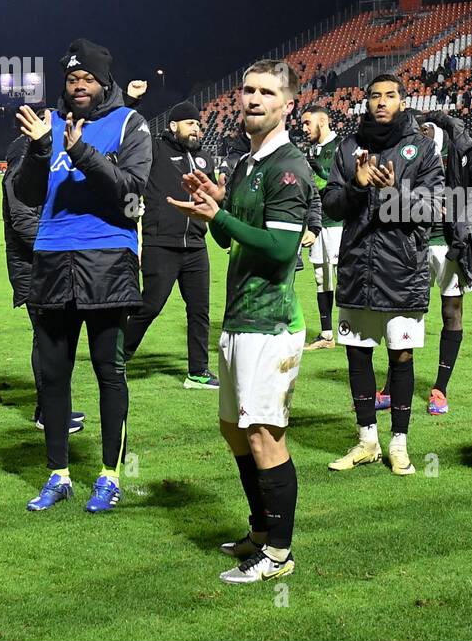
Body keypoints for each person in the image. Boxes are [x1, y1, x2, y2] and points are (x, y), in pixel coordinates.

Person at [167, 59, 313, 583]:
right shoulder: (248, 164)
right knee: (234, 429)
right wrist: (217, 206)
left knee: (263, 435)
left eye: (266, 92)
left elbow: (280, 249)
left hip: (270, 324)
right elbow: (231, 241)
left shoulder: (287, 167)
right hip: (240, 318)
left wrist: (220, 216)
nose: (252, 98)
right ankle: (259, 530)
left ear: (286, 105)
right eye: (247, 89)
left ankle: (279, 554)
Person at [14, 38, 152, 514]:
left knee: (108, 371)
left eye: (87, 79)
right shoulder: (45, 125)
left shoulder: (130, 123)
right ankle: (59, 474)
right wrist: (38, 151)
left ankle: (110, 477)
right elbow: (28, 195)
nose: (78, 87)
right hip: (51, 260)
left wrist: (84, 153)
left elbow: (131, 191)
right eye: (72, 79)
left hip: (108, 261)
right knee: (53, 375)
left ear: (104, 82)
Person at [321, 74, 443, 476]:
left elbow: (434, 207)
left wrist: (394, 193)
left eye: (390, 96)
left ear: (402, 101)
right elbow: (333, 205)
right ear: (366, 102)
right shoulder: (349, 147)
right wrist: (356, 186)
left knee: (401, 357)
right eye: (375, 96)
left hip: (403, 271)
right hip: (358, 268)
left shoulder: (421, 148)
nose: (381, 102)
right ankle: (366, 440)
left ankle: (399, 444)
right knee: (357, 354)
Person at [373, 111, 472, 416]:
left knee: (451, 311)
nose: (420, 134)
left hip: (450, 248)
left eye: (425, 129)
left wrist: (460, 216)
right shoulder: (406, 152)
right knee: (402, 313)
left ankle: (440, 388)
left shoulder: (459, 151)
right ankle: (391, 386)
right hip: (412, 244)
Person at [121, 101, 220, 388]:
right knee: (150, 305)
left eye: (198, 124)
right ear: (173, 125)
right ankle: (118, 357)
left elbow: (212, 196)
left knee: (199, 310)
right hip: (161, 243)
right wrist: (133, 101)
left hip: (196, 245)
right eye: (190, 124)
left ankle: (198, 371)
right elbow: (126, 132)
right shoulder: (154, 149)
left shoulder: (204, 157)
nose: (196, 129)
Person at [2, 133, 85, 436]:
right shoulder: (17, 177)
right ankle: (48, 413)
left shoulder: (24, 173)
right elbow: (24, 224)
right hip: (34, 271)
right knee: (47, 340)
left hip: (43, 268)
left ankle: (54, 408)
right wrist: (65, 242)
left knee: (52, 339)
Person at [301, 104, 343, 350]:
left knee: (343, 277)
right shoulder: (313, 150)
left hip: (338, 223)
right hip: (318, 223)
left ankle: (349, 330)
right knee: (321, 278)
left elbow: (335, 183)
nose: (304, 128)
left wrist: (316, 171)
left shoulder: (341, 148)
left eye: (308, 123)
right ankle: (327, 335)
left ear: (323, 121)